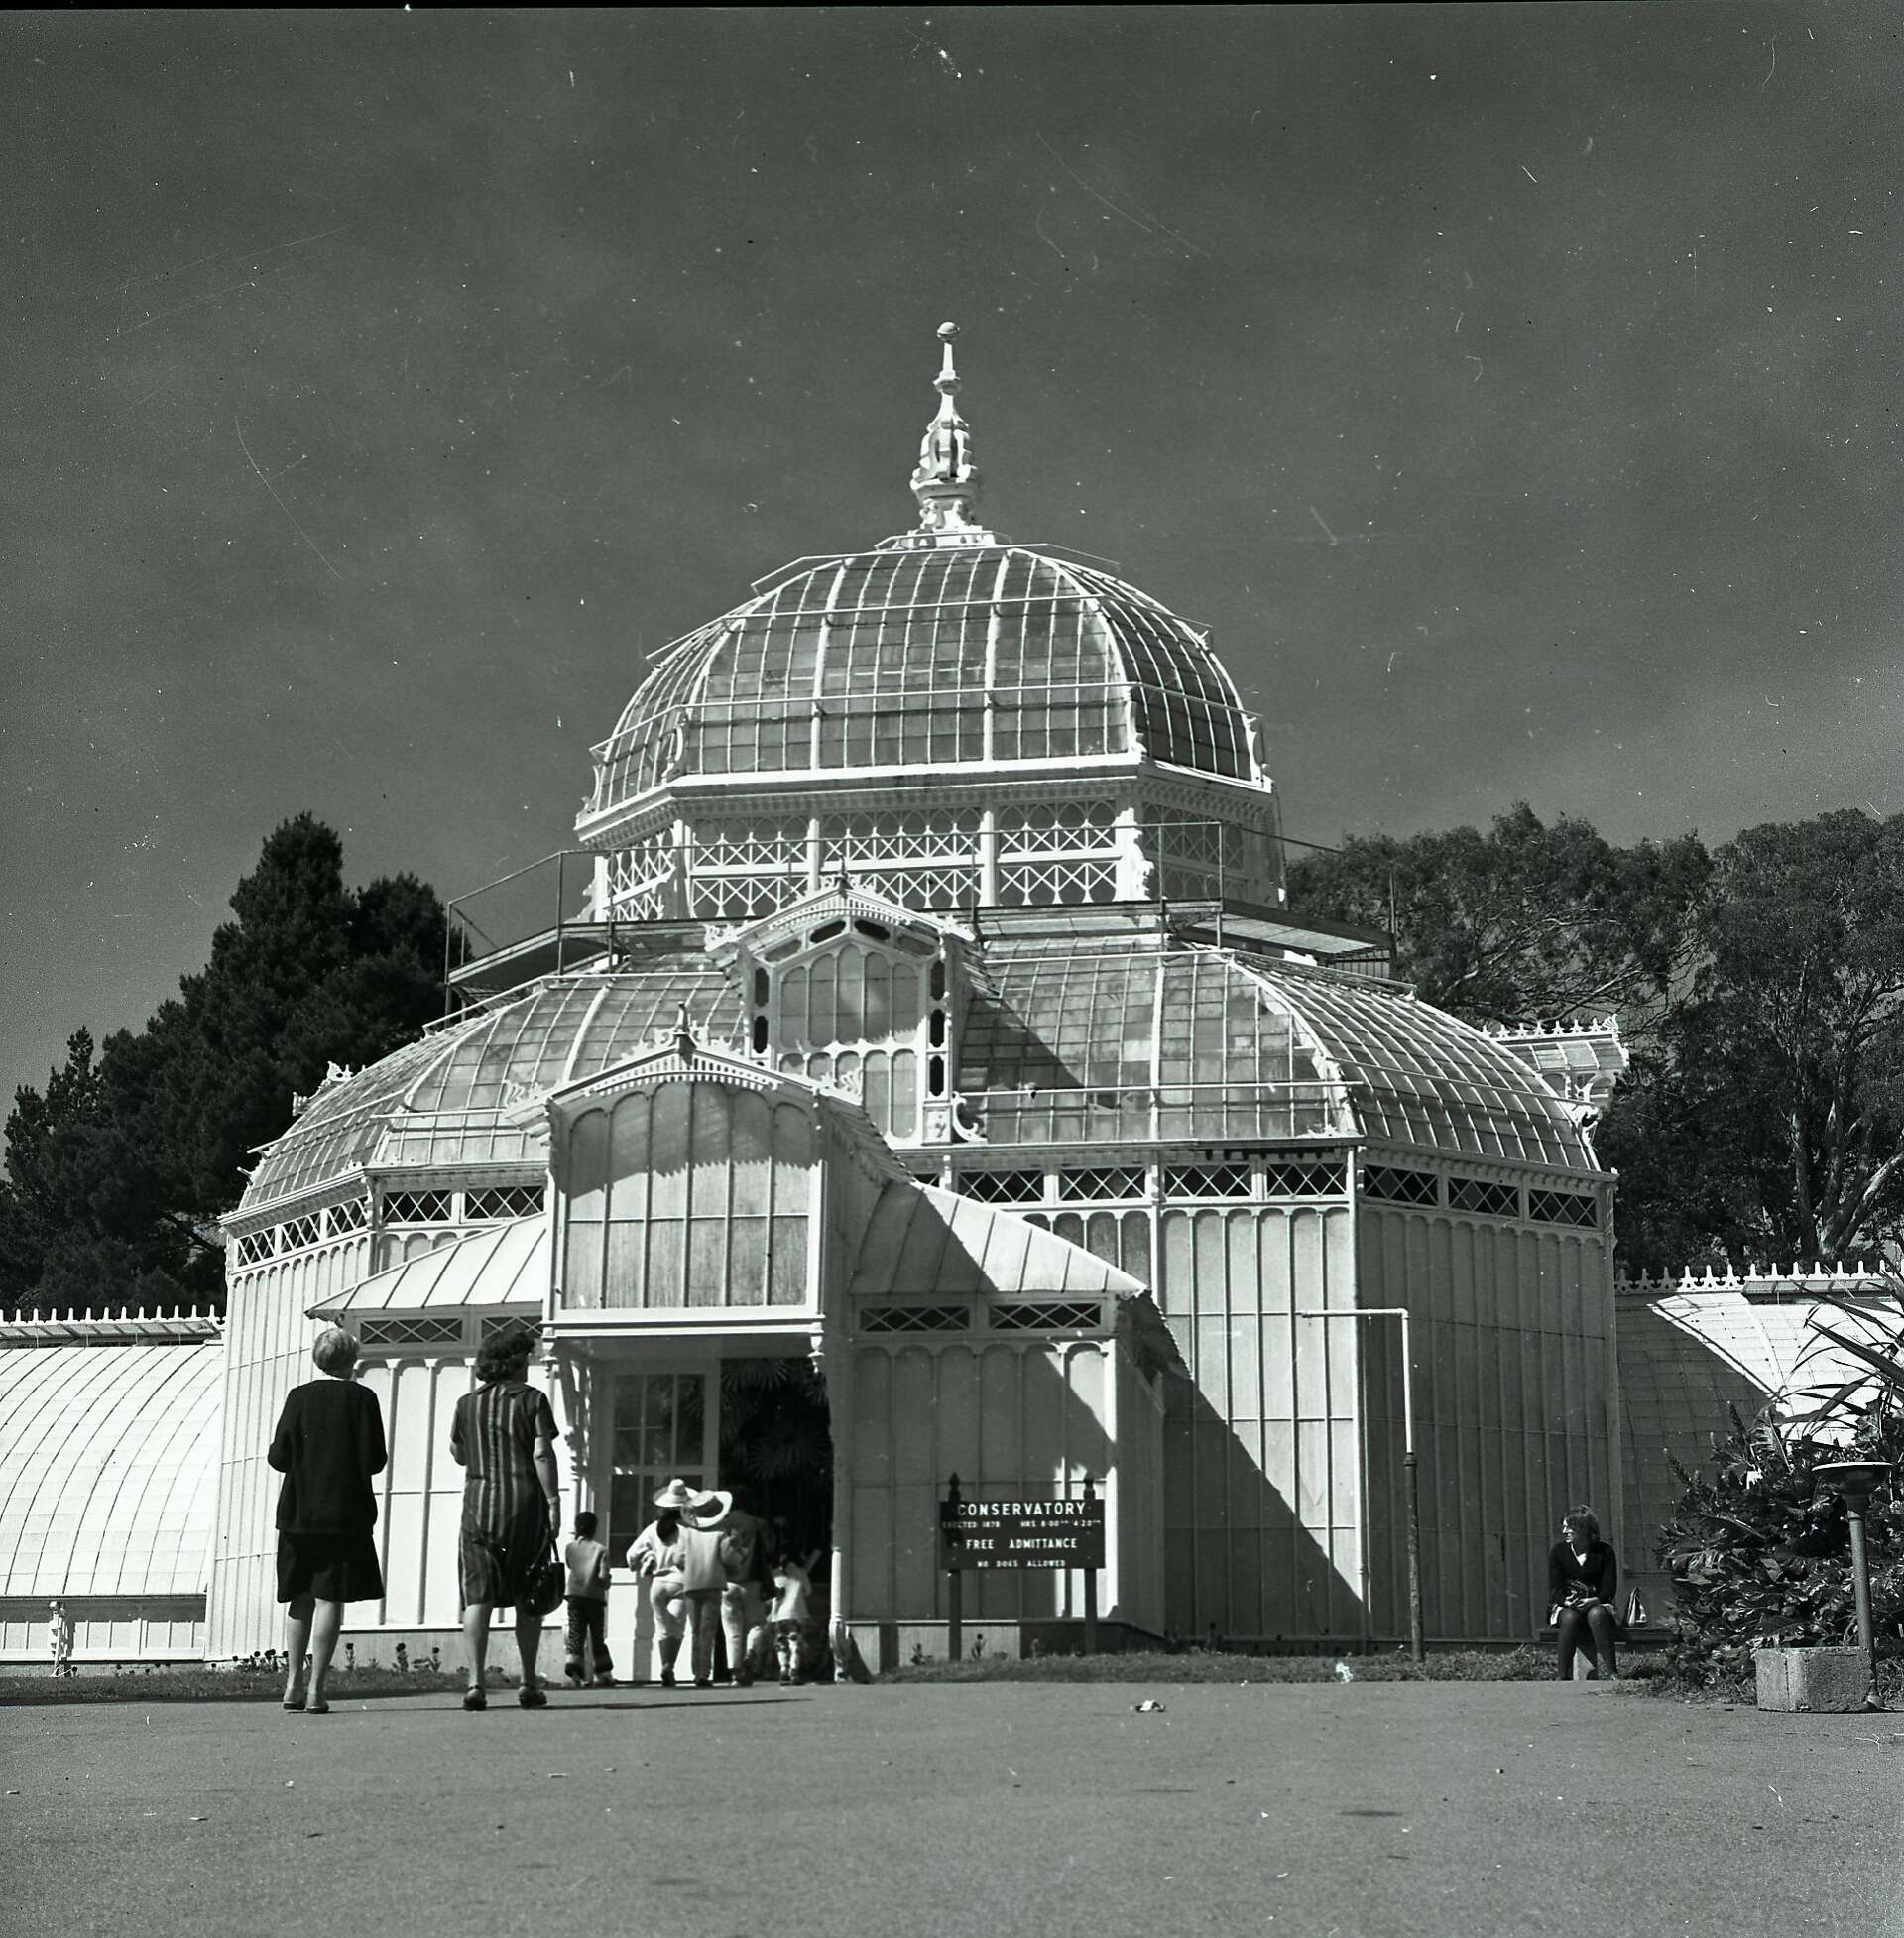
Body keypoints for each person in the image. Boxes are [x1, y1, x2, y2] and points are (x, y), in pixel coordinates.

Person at [266, 1326, 388, 1714]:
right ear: (352, 1360)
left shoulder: (299, 1397)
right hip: (344, 1514)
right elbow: (375, 1460)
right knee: (329, 1597)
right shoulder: (364, 1399)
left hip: (299, 1513)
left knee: (299, 1597)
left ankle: (291, 1685)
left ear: (318, 1359)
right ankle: (317, 1689)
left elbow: (279, 1458)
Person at [450, 1320, 561, 1710]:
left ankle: (475, 1682)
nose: (529, 1363)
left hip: (479, 1508)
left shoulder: (467, 1405)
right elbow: (542, 1453)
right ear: (514, 1361)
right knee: (528, 1593)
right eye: (526, 1357)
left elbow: (459, 1454)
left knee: (477, 1595)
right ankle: (528, 1681)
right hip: (525, 1507)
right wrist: (554, 1502)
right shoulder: (532, 1401)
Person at [671, 1481, 736, 1689]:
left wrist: (690, 1567)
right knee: (707, 1630)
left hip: (691, 1585)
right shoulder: (720, 1533)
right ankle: (703, 1673)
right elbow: (728, 1558)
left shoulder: (686, 1533)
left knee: (695, 1630)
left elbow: (677, 1559)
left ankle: (695, 1671)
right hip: (713, 1584)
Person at [1549, 1504, 1619, 1681]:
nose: (1564, 1531)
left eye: (1569, 1527)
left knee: (1597, 1614)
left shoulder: (1604, 1552)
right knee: (1570, 1617)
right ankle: (1562, 1675)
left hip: (1597, 1603)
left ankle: (1612, 1673)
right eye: (1563, 1527)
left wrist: (1592, 1601)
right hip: (1568, 1605)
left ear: (1584, 1529)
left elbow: (1609, 1589)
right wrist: (1566, 1601)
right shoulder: (1559, 1552)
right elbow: (1555, 1589)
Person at [628, 1487, 689, 1687]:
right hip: (680, 1582)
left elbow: (631, 1555)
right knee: (677, 1630)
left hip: (658, 1584)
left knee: (662, 1628)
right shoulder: (688, 1530)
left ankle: (665, 1664)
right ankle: (669, 1666)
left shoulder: (653, 1529)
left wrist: (645, 1561)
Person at [713, 1485, 773, 1688]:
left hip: (727, 1582)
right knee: (756, 1623)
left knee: (732, 1629)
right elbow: (771, 1550)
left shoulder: (721, 1524)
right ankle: (750, 1655)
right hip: (752, 1580)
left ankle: (735, 1673)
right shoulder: (758, 1524)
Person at [562, 1509, 615, 1688]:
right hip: (594, 1596)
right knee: (597, 1636)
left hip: (575, 1595)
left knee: (576, 1634)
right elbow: (602, 1576)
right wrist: (608, 1581)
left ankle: (576, 1674)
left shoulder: (570, 1548)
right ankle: (603, 1673)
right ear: (594, 1528)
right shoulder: (601, 1550)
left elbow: (570, 1565)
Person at [768, 1546, 819, 1686]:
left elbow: (770, 1596)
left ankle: (784, 1669)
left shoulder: (775, 1574)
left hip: (778, 1616)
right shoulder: (801, 1573)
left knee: (781, 1644)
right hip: (797, 1614)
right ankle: (794, 1670)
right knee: (795, 1643)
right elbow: (808, 1591)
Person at [48, 1598, 74, 1678]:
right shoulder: (53, 1622)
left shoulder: (60, 1620)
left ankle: (56, 1671)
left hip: (59, 1643)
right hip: (56, 1642)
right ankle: (55, 1671)